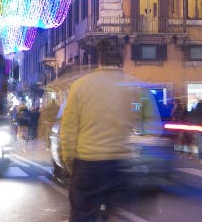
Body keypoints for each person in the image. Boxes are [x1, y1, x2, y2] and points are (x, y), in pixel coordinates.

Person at [60, 40, 161, 222]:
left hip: (88, 164)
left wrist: (70, 163)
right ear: (122, 60)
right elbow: (154, 129)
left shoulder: (80, 86)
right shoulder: (136, 87)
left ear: (99, 60)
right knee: (120, 215)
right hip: (122, 165)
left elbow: (68, 131)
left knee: (83, 216)